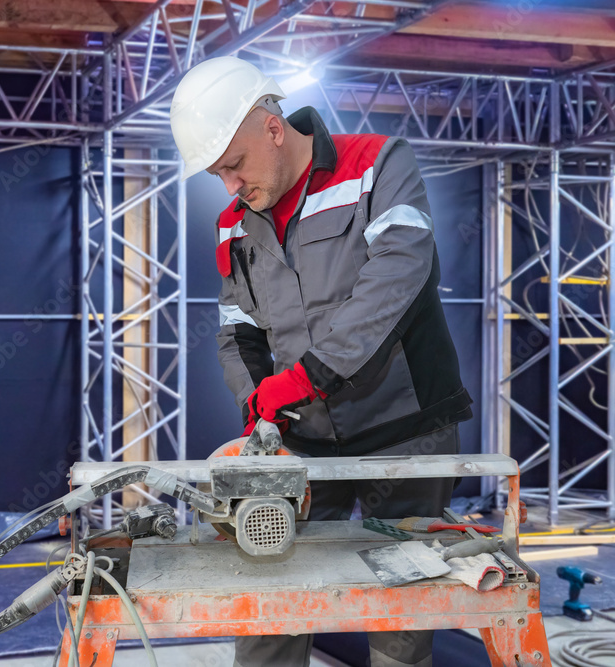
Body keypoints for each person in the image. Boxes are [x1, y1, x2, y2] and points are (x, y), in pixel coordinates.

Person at [169, 57, 473, 667]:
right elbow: (237, 330)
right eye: (217, 174)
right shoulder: (234, 224)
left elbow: (398, 278)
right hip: (298, 445)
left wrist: (310, 375)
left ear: (272, 128)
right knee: (270, 602)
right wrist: (259, 409)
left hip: (406, 437)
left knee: (401, 610)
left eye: (234, 165)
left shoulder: (379, 164)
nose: (230, 186)